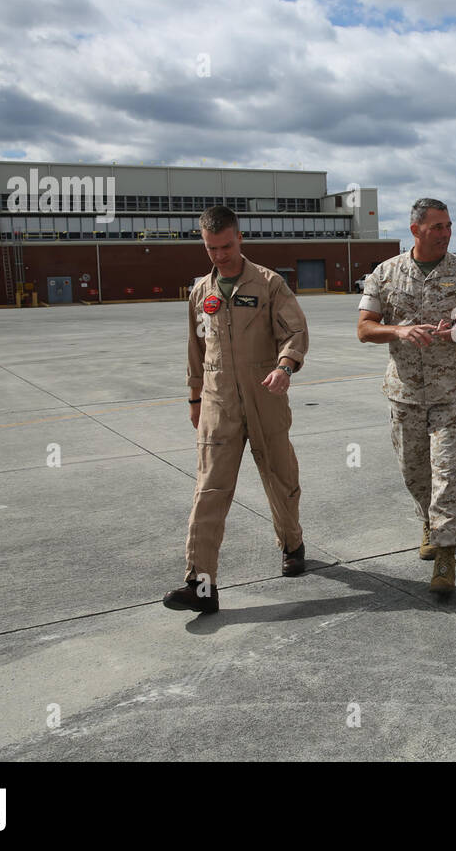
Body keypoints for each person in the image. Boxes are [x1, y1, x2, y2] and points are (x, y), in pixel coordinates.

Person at [163, 205, 310, 614]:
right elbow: (196, 349)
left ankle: (292, 543)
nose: (219, 256)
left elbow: (295, 331)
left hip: (266, 397)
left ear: (239, 238)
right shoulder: (200, 292)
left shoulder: (269, 284)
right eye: (211, 248)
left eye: (225, 246)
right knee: (209, 490)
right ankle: (201, 585)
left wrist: (286, 366)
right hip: (218, 404)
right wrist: (195, 398)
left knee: (282, 480)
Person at [357, 197, 456, 594]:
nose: (446, 233)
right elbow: (364, 328)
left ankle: (446, 554)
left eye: (449, 225)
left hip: (453, 394)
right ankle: (429, 523)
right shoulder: (385, 273)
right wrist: (398, 330)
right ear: (415, 230)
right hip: (405, 395)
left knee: (446, 471)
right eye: (437, 227)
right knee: (414, 472)